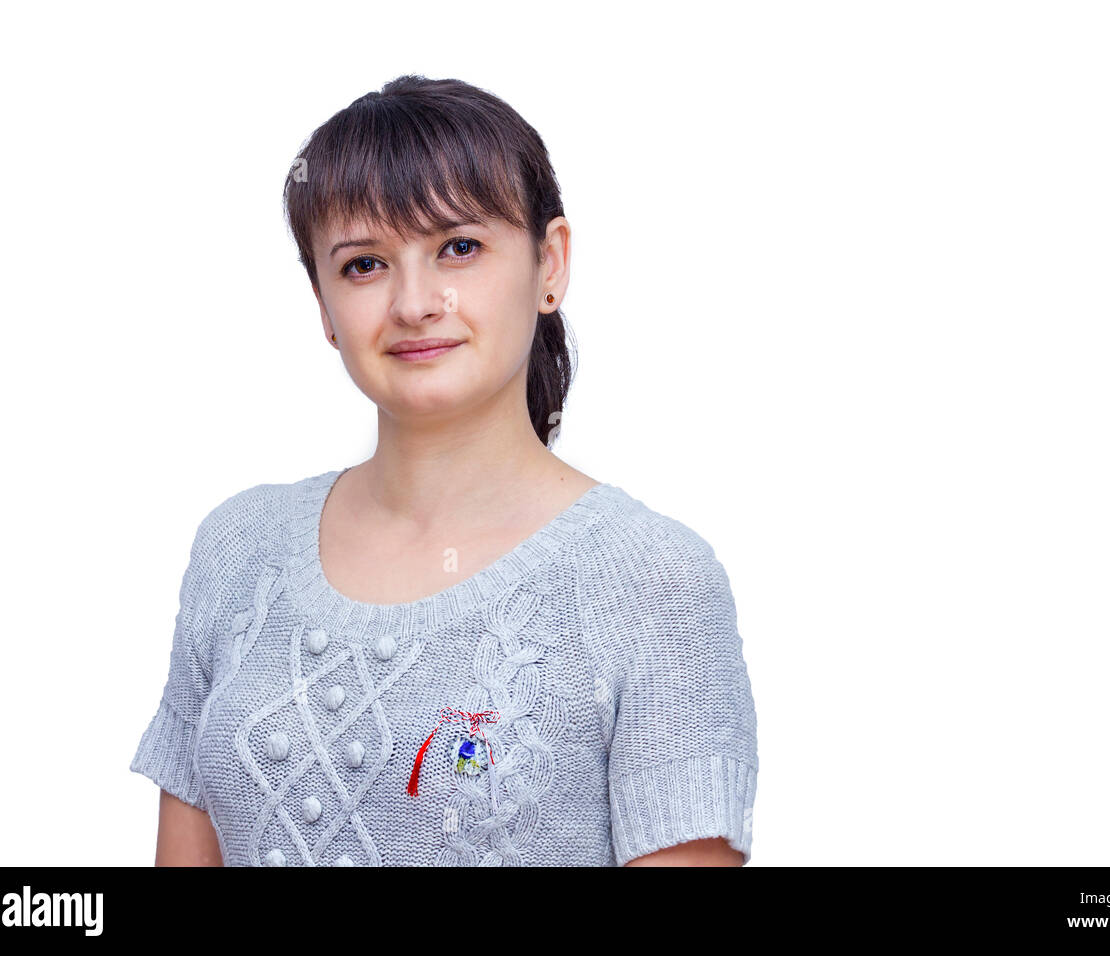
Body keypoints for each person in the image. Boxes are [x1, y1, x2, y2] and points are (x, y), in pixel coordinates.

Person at [129, 74, 758, 866]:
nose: (415, 303)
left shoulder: (652, 581)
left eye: (459, 248)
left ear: (550, 263)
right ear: (322, 304)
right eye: (364, 265)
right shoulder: (237, 548)